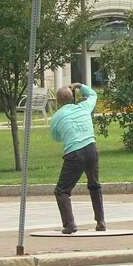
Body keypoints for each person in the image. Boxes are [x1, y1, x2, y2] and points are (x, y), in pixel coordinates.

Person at [49, 82, 106, 234]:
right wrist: (80, 85)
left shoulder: (56, 118)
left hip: (74, 154)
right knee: (94, 184)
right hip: (91, 149)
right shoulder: (84, 107)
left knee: (61, 191)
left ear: (58, 102)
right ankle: (101, 222)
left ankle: (70, 225)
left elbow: (56, 137)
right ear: (73, 98)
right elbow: (93, 94)